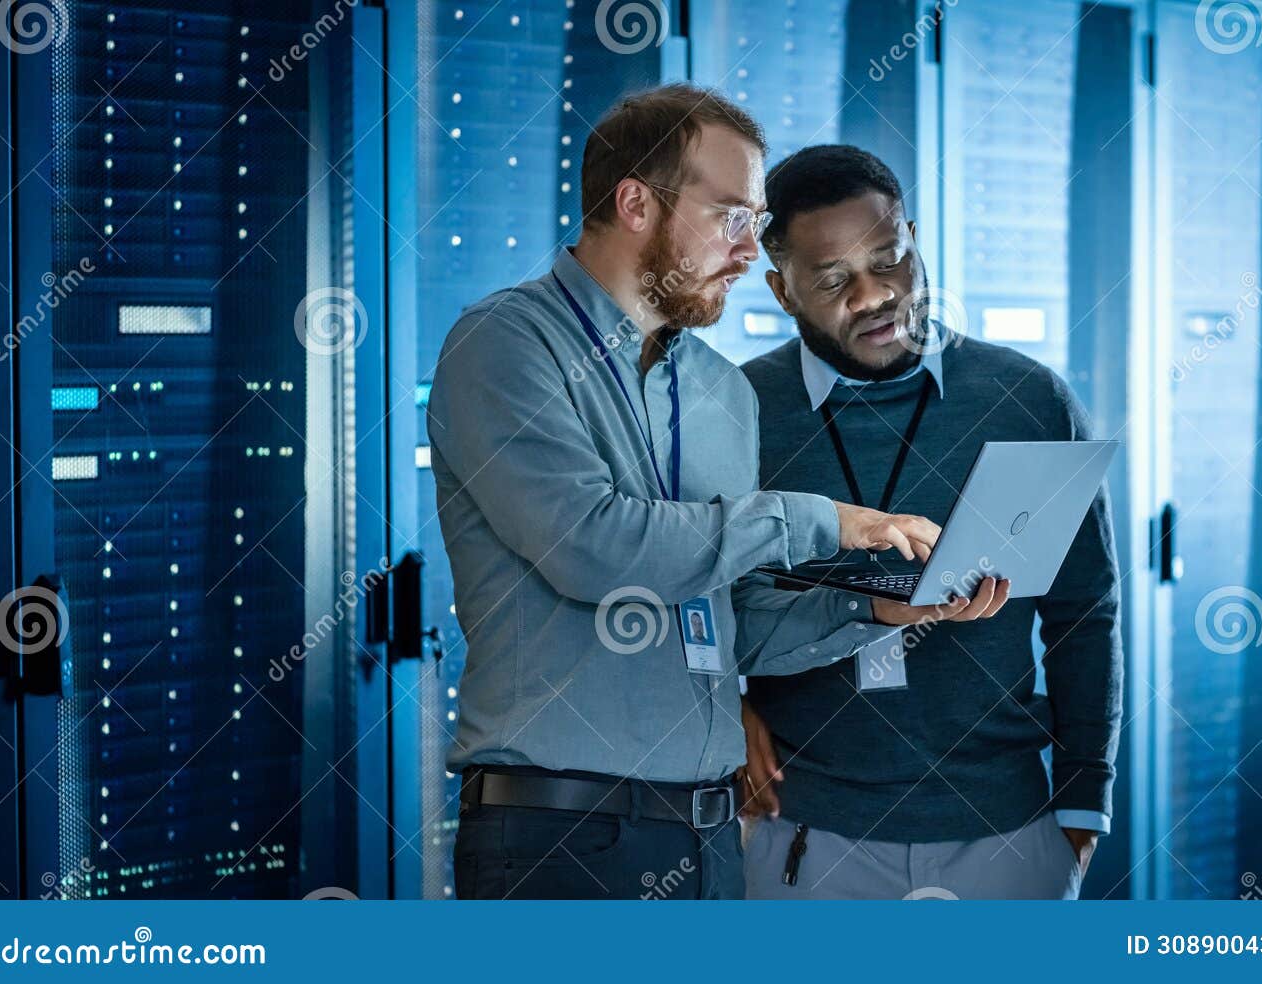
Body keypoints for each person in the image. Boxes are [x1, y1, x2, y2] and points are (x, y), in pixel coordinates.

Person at [427, 88, 1009, 900]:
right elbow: (595, 549)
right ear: (635, 202)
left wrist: (876, 611)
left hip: (708, 835)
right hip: (561, 835)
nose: (749, 251)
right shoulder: (506, 344)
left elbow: (733, 627)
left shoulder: (718, 391)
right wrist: (826, 521)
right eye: (732, 216)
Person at [737, 145, 1123, 899]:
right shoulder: (740, 414)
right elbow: (699, 599)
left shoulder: (1026, 398)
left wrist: (1084, 800)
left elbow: (1086, 612)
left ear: (913, 236)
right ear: (783, 292)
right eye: (834, 280)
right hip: (807, 836)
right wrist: (729, 707)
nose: (877, 295)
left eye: (891, 259)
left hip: (1006, 832)